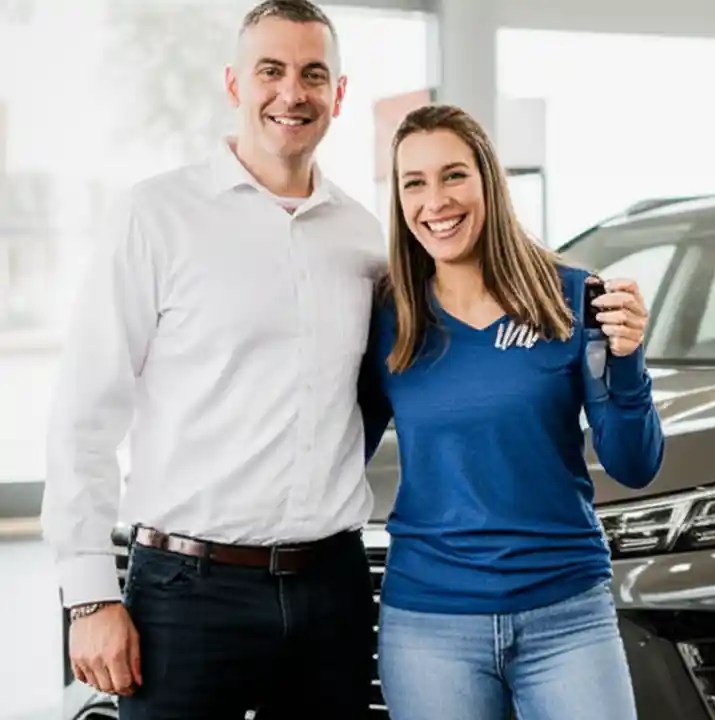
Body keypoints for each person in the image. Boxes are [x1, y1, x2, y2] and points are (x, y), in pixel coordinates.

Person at [40, 1, 385, 717]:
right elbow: (85, 412)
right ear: (234, 84)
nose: (293, 93)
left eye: (314, 74)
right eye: (272, 71)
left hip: (333, 589)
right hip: (186, 595)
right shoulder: (156, 215)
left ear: (339, 95)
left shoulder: (363, 237)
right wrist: (88, 597)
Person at [359, 104, 665, 720]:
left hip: (567, 617)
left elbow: (633, 464)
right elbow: (331, 458)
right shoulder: (387, 317)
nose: (435, 201)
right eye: (413, 183)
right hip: (430, 628)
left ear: (488, 181)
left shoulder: (575, 298)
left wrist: (629, 361)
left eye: (453, 176)